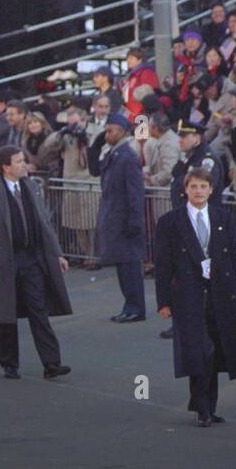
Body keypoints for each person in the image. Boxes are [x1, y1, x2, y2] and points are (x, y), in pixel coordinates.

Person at [154, 167, 236, 426]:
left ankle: (209, 405)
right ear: (185, 190)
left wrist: (234, 285)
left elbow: (233, 253)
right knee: (200, 351)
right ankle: (202, 407)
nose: (198, 191)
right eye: (193, 186)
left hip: (219, 294)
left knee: (216, 351)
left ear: (211, 189)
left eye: (203, 186)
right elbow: (163, 264)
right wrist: (163, 301)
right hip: (188, 295)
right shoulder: (170, 222)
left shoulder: (223, 217)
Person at [0, 145, 73, 378]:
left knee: (39, 311)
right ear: (5, 167)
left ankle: (52, 363)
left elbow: (45, 224)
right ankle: (10, 364)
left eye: (23, 160)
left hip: (31, 260)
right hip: (4, 261)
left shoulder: (32, 188)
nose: (24, 165)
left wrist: (57, 254)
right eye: (18, 162)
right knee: (6, 313)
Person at [93, 114, 147, 322]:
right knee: (123, 268)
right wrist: (94, 147)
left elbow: (135, 192)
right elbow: (95, 169)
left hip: (125, 218)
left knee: (130, 267)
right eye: (106, 130)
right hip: (116, 217)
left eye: (111, 130)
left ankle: (135, 307)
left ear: (123, 131)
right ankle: (129, 305)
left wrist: (134, 220)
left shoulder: (127, 157)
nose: (108, 135)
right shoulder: (114, 154)